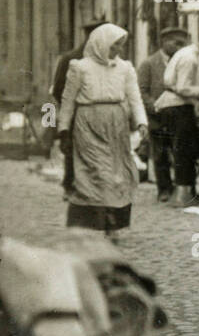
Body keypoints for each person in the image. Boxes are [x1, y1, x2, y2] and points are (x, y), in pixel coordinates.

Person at [55, 24, 148, 233]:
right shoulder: (79, 67)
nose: (117, 52)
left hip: (117, 123)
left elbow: (135, 98)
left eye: (119, 47)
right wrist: (63, 130)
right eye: (113, 47)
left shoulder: (125, 68)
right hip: (88, 122)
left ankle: (112, 220)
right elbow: (68, 101)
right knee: (95, 171)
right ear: (101, 44)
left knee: (117, 171)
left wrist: (142, 122)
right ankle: (97, 222)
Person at [157, 29, 199, 206]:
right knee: (184, 151)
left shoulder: (185, 54)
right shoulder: (190, 58)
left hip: (173, 104)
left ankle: (184, 193)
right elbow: (183, 87)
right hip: (178, 105)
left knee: (183, 151)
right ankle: (183, 196)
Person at [51, 20, 107, 197]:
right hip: (76, 111)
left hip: (100, 112)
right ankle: (70, 185)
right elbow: (59, 88)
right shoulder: (70, 58)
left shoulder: (106, 58)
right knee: (73, 149)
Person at [136, 27, 189, 202]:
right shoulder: (149, 64)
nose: (180, 47)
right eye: (176, 43)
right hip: (157, 116)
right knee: (160, 153)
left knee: (179, 151)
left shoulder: (183, 62)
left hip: (178, 115)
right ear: (163, 42)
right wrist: (154, 106)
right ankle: (164, 189)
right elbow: (141, 91)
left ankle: (180, 188)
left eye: (183, 44)